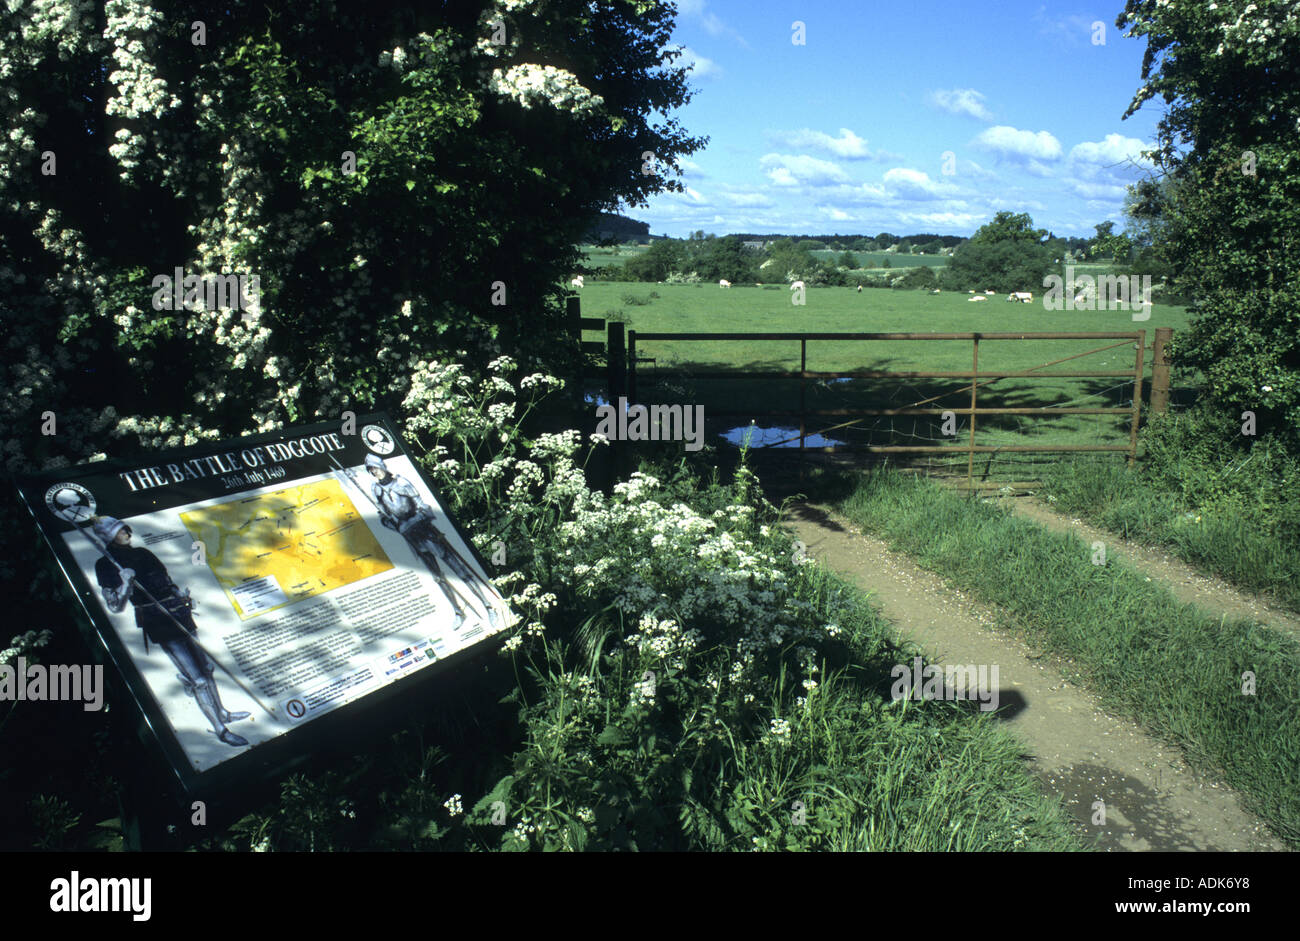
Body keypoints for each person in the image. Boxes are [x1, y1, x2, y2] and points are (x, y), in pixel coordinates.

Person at [92, 517, 250, 747]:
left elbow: (167, 581)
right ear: (109, 535)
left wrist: (181, 597)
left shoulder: (144, 554)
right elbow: (115, 606)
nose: (126, 531)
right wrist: (125, 584)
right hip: (157, 620)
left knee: (206, 668)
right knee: (197, 678)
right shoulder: (105, 564)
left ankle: (223, 712)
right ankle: (220, 729)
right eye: (119, 530)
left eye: (125, 527)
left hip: (177, 612)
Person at [363, 455, 501, 629]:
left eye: (376, 467)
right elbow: (384, 517)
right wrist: (392, 524)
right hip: (412, 539)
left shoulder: (401, 483)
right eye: (371, 470)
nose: (375, 472)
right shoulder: (376, 489)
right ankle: (458, 612)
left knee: (459, 570)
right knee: (438, 578)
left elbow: (425, 509)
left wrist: (410, 523)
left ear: (382, 466)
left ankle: (488, 607)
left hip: (426, 533)